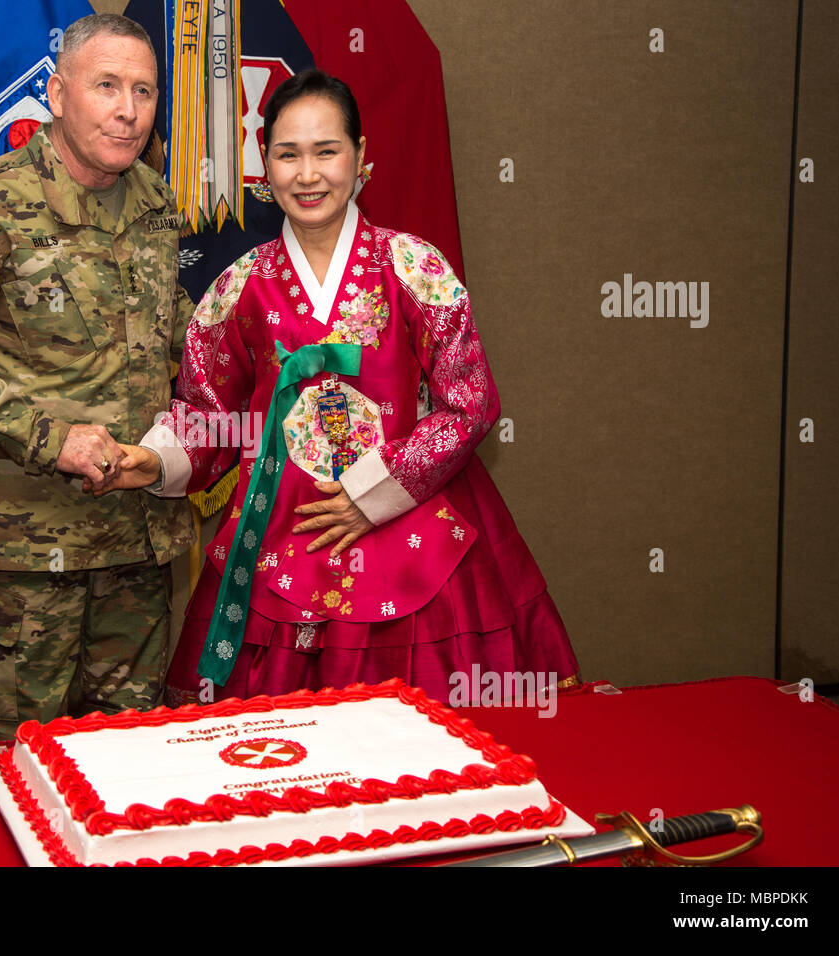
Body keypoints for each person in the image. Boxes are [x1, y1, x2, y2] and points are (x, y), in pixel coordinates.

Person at [103, 69, 580, 705]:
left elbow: (470, 404)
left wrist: (369, 493)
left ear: (362, 159)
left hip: (412, 528)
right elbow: (209, 416)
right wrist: (155, 456)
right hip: (281, 534)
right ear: (263, 168)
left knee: (433, 754)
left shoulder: (415, 267)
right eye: (287, 154)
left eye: (327, 151)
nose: (308, 174)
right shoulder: (236, 288)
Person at [0, 14, 194, 745]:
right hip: (23, 564)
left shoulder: (155, 204)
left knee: (135, 773)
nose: (128, 110)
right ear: (57, 94)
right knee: (17, 773)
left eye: (144, 91)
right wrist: (49, 437)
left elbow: (173, 339)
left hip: (136, 545)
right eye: (108, 86)